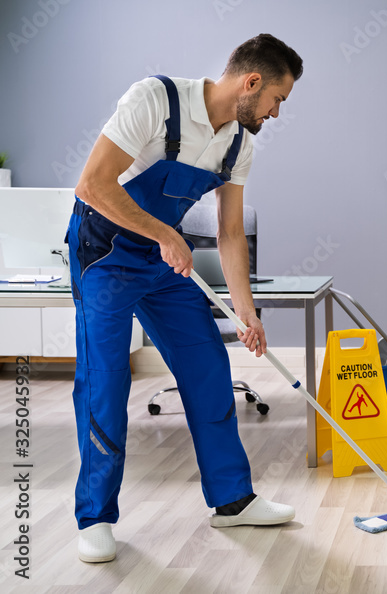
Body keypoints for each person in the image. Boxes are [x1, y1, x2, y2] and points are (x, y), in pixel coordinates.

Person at [67, 34, 303, 563]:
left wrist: (246, 312)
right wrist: (166, 235)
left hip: (162, 262)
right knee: (106, 382)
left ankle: (232, 500)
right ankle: (96, 518)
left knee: (208, 368)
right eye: (277, 100)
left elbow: (230, 234)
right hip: (103, 254)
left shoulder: (239, 143)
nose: (277, 112)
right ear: (251, 83)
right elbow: (92, 185)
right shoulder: (154, 100)